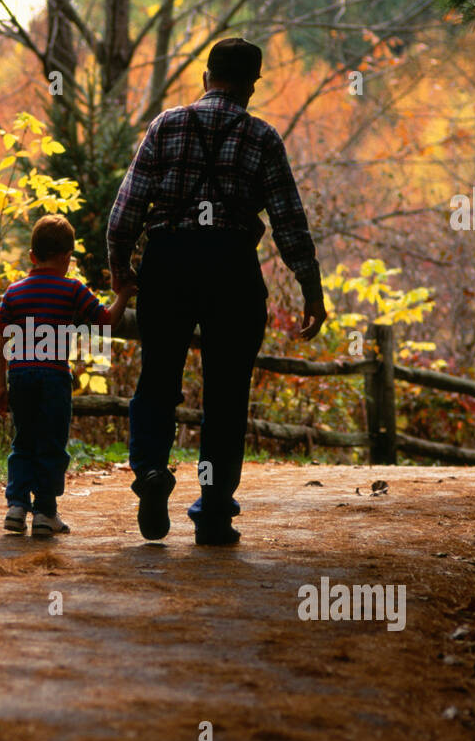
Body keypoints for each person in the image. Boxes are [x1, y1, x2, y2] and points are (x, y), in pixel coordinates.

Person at [106, 37, 327, 546]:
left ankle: (151, 473)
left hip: (170, 263)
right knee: (226, 396)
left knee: (158, 379)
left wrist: (121, 271)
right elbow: (290, 222)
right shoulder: (263, 137)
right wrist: (310, 289)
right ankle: (213, 512)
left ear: (206, 78)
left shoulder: (166, 125)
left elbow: (125, 212)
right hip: (231, 269)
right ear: (251, 86)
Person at [0, 214, 134, 537]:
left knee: (24, 440)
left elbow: (0, 337)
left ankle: (16, 505)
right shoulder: (72, 289)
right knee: (52, 443)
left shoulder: (14, 293)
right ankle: (44, 512)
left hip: (21, 376)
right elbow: (105, 324)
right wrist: (123, 295)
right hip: (55, 377)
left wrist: (2, 385)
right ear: (67, 258)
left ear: (32, 256)